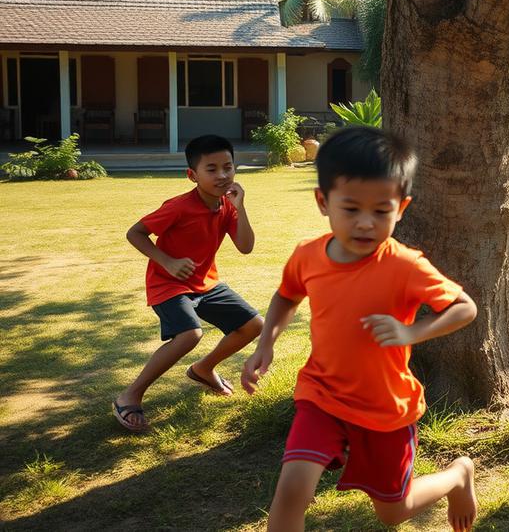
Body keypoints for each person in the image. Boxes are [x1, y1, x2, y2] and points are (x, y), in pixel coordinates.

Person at [241, 127, 478, 532]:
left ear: (401, 208)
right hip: (322, 394)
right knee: (292, 490)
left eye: (381, 211)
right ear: (323, 202)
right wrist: (266, 344)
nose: (366, 223)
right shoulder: (308, 256)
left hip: (384, 408)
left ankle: (457, 474)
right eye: (351, 209)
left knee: (393, 511)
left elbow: (464, 308)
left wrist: (410, 333)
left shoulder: (405, 265)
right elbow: (286, 295)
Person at [113, 135, 262, 432]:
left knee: (253, 324)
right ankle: (129, 395)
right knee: (189, 334)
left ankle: (203, 369)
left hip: (205, 283)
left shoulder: (228, 205)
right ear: (192, 175)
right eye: (211, 169)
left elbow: (246, 247)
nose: (222, 175)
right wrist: (167, 261)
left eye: (228, 167)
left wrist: (240, 207)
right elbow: (135, 233)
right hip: (168, 284)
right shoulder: (178, 206)